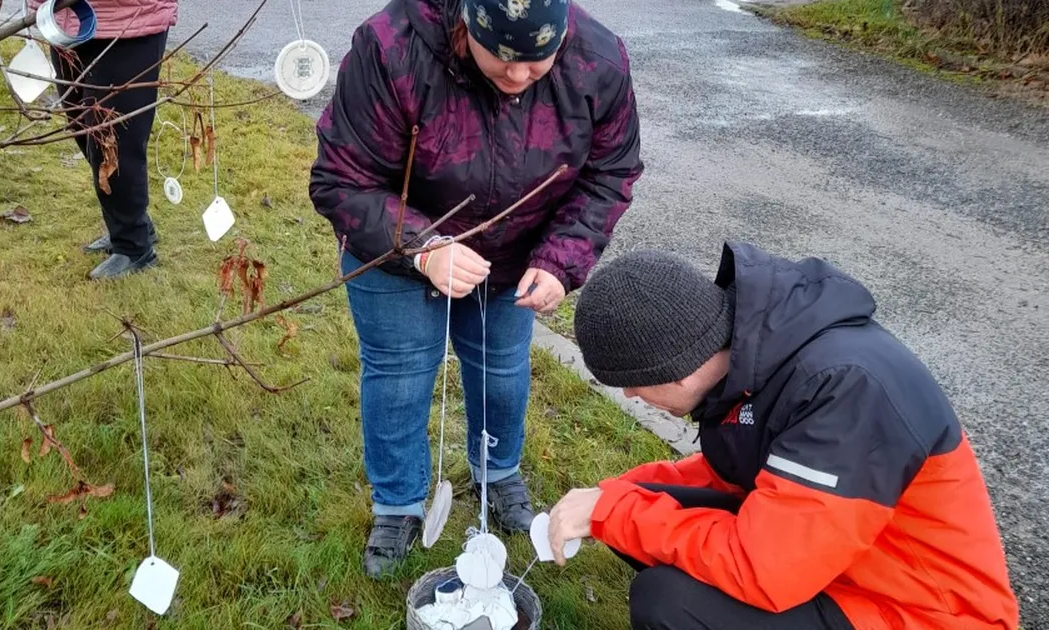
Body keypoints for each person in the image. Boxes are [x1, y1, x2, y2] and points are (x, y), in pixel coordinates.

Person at [309, 0, 643, 578]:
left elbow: (610, 172)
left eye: (538, 62)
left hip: (514, 257)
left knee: (501, 366)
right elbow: (341, 178)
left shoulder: (598, 60)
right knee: (398, 373)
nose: (518, 77)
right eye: (504, 59)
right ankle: (398, 502)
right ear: (466, 26)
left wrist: (560, 261)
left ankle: (498, 472)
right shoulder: (391, 48)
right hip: (394, 251)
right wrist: (423, 246)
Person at [547, 242, 1021, 629]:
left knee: (668, 602)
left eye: (631, 381)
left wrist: (617, 513)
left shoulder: (844, 390)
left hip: (918, 610)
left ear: (672, 367)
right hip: (839, 565)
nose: (629, 395)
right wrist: (615, 497)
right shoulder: (757, 357)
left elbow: (763, 570)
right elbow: (743, 476)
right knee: (626, 503)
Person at [31, 0, 177, 279]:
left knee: (113, 137)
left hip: (127, 19)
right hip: (64, 16)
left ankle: (134, 247)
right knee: (83, 127)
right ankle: (133, 224)